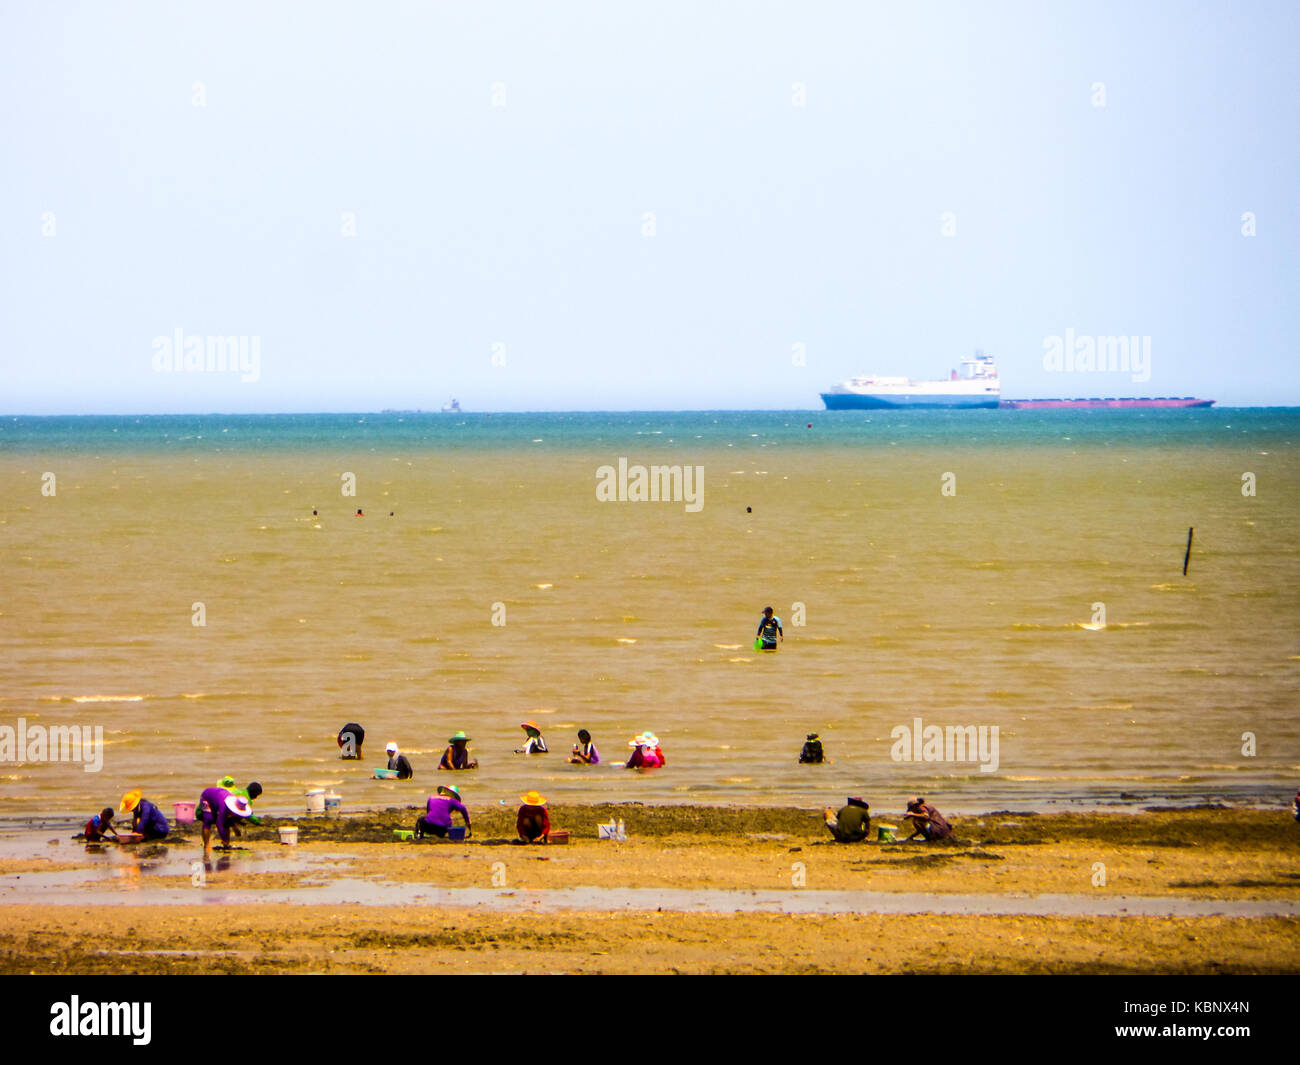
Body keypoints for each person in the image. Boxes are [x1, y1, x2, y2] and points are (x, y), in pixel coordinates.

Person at [198, 786, 253, 853]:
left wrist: (234, 827)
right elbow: (219, 824)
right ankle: (207, 845)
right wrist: (223, 838)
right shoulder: (224, 806)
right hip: (207, 797)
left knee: (226, 821)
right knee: (208, 818)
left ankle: (226, 844)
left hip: (219, 796)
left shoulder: (236, 803)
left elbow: (229, 820)